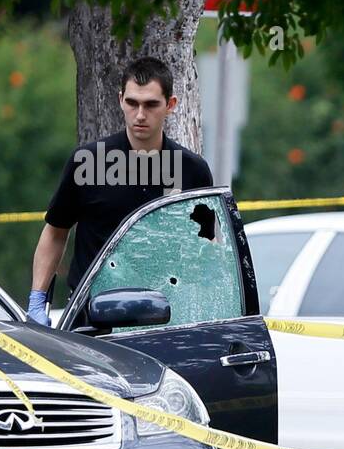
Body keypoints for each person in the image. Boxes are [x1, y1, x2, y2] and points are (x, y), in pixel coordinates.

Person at [27, 56, 214, 325]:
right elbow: (56, 231)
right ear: (120, 100)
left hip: (167, 318)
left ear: (170, 105)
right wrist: (37, 300)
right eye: (132, 103)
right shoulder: (87, 162)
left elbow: (206, 247)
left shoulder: (192, 170)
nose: (140, 114)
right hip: (92, 319)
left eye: (151, 104)